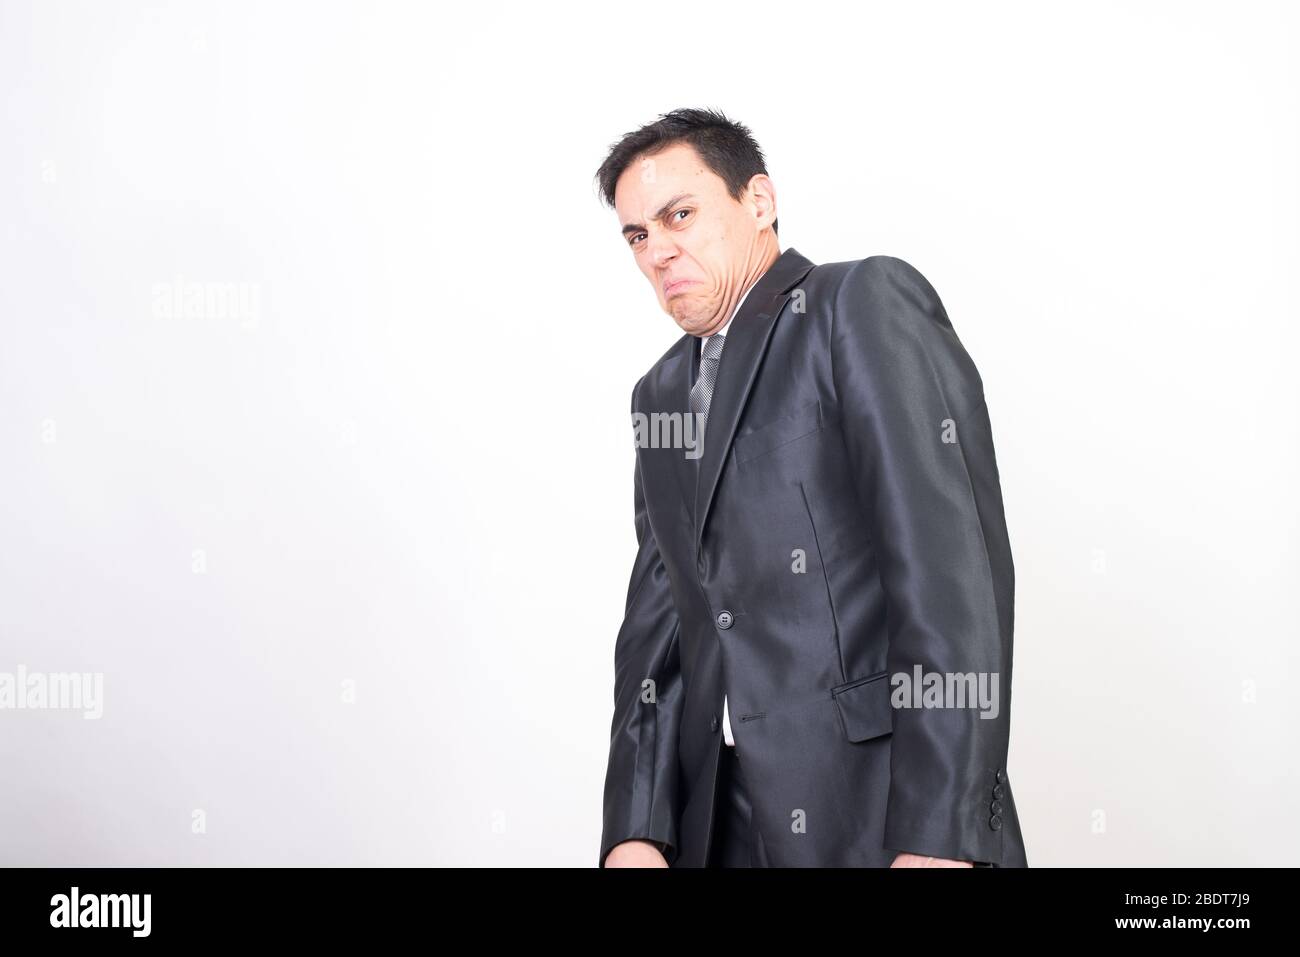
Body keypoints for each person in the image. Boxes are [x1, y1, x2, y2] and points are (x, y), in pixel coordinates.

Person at [594, 108, 1027, 868]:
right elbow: (658, 628)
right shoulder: (657, 395)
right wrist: (636, 828)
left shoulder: (855, 305)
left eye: (679, 215)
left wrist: (940, 836)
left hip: (875, 811)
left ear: (757, 201)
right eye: (637, 235)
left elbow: (952, 578)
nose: (658, 249)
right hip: (715, 828)